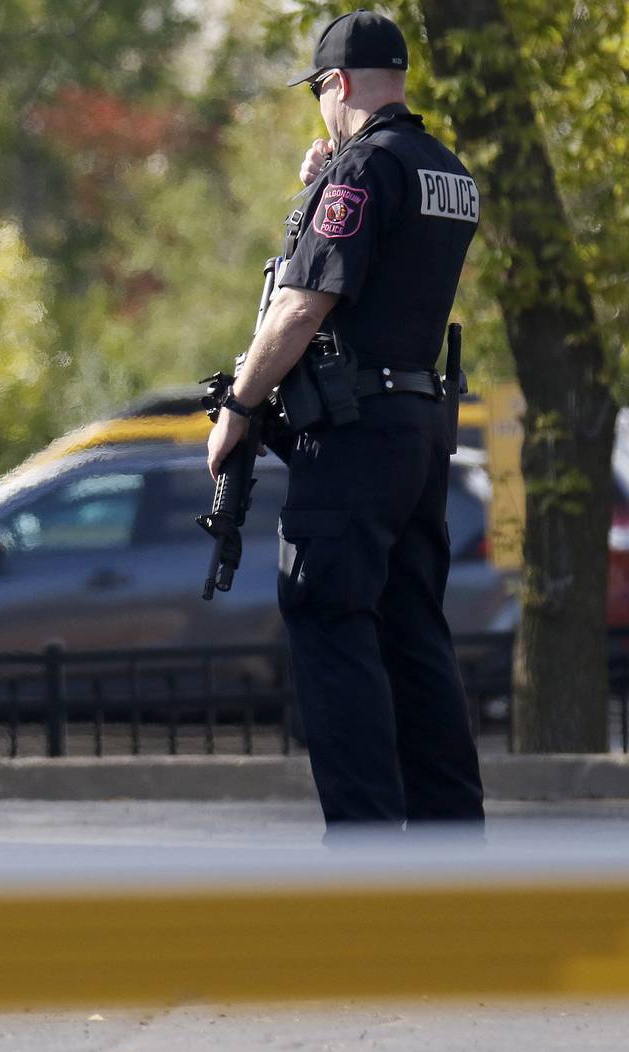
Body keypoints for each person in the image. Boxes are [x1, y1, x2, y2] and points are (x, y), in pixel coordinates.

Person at [204, 10, 485, 831]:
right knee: (412, 633)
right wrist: (322, 182)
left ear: (338, 84)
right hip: (420, 429)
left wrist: (239, 408)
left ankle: (366, 848)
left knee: (329, 620)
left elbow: (298, 307)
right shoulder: (446, 169)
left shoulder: (365, 171)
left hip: (354, 437)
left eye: (322, 95)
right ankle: (450, 841)